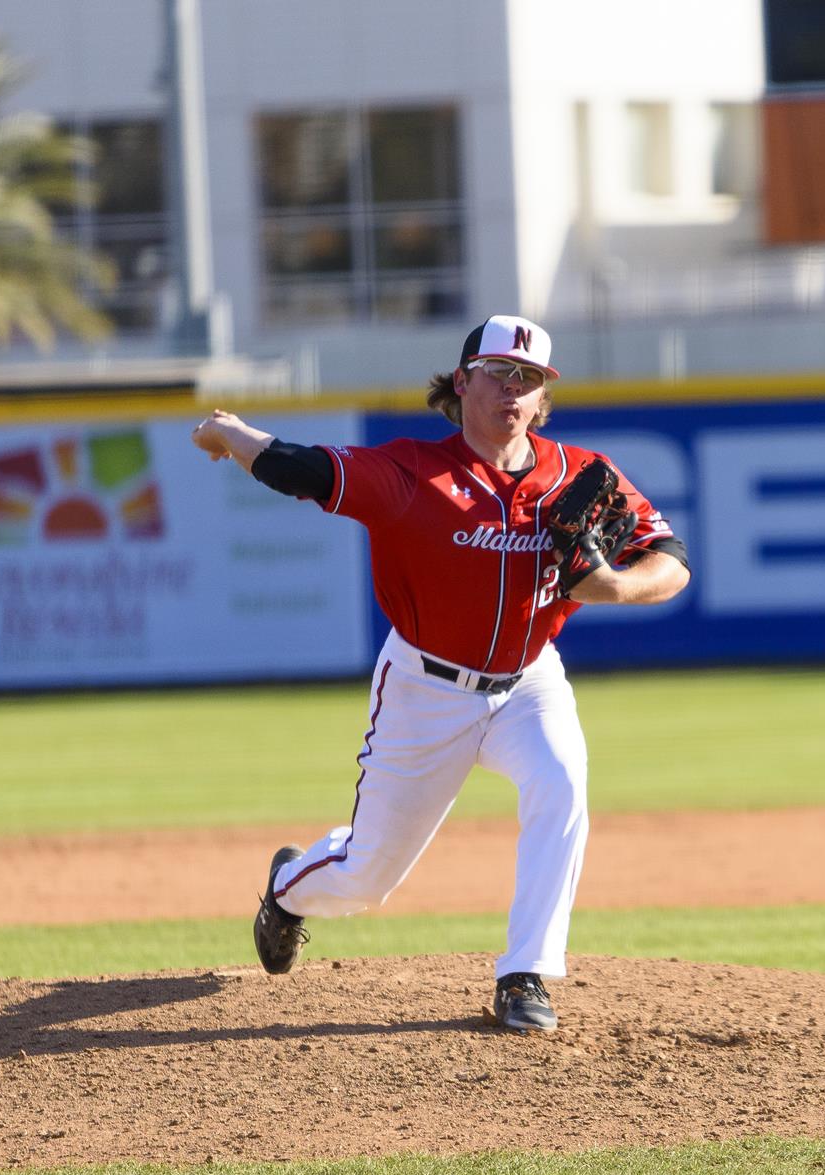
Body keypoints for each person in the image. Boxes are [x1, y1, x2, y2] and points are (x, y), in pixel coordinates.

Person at [190, 316, 689, 1033]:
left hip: (528, 682)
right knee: (367, 878)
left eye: (530, 379)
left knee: (561, 782)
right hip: (426, 689)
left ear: (544, 398)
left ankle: (525, 975)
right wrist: (231, 433)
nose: (512, 390)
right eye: (497, 373)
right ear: (462, 383)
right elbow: (301, 469)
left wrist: (616, 587)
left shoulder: (580, 475)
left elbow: (670, 556)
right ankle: (289, 889)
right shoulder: (412, 475)